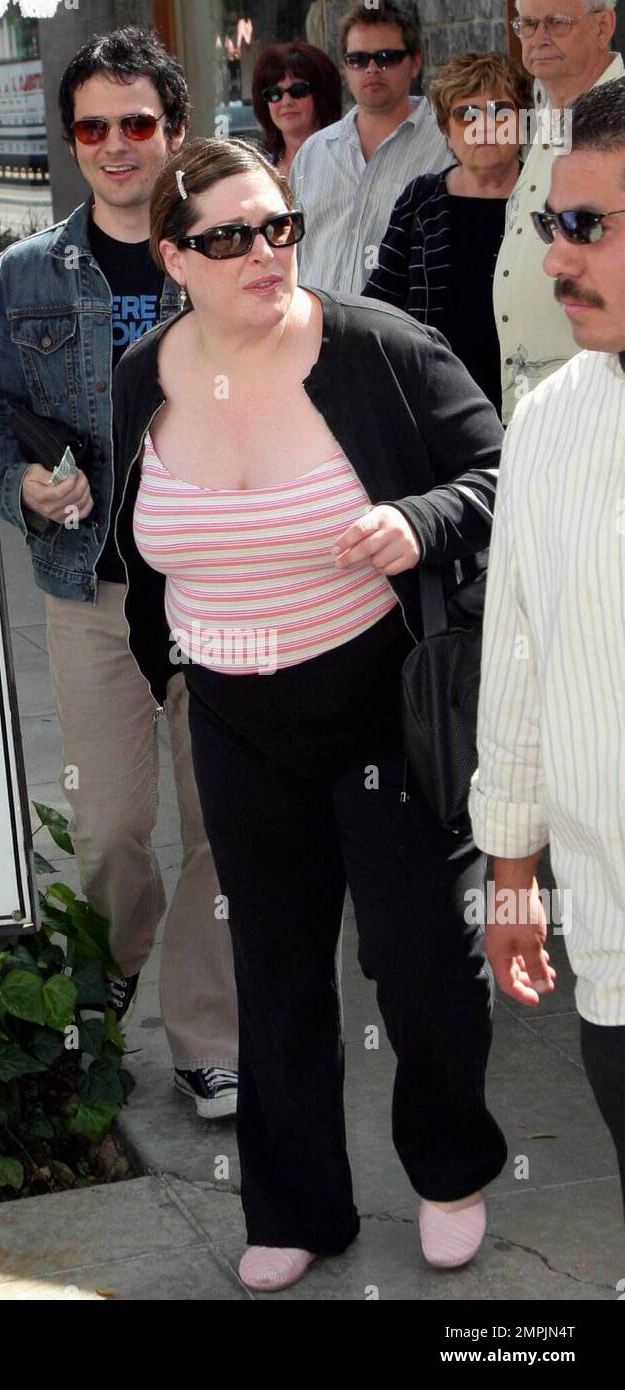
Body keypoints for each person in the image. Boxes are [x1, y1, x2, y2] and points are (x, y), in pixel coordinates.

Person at [110, 136, 509, 1292]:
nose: (264, 252)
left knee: (419, 958)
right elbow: (142, 540)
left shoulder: (377, 348)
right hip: (233, 719)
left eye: (277, 224)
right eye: (229, 236)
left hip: (379, 708)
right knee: (274, 970)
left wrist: (421, 521)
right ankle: (295, 1206)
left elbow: (496, 470)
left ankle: (449, 1169)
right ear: (174, 256)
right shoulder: (145, 371)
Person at [0, 28, 239, 1120]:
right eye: (91, 126)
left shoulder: (227, 248)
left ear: (175, 131)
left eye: (137, 124)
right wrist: (21, 489)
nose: (115, 146)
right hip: (91, 593)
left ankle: (204, 1030)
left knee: (222, 822)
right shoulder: (25, 274)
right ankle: (113, 965)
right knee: (119, 826)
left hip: (219, 591)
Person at [470, 76, 625, 1218]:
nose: (556, 261)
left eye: (589, 228)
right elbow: (515, 654)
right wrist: (509, 865)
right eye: (549, 226)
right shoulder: (548, 418)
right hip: (612, 936)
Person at [364, 51, 532, 415]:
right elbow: (380, 308)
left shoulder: (547, 195)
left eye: (500, 112)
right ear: (445, 128)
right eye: (467, 114)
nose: (485, 126)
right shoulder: (421, 199)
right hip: (439, 408)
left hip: (533, 402)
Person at [494, 0, 623, 423]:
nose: (539, 37)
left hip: (602, 408)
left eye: (557, 22)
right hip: (534, 406)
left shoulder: (616, 121)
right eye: (527, 24)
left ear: (604, 25)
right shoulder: (549, 111)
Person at [290, 0, 451, 295]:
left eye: (387, 57)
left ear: (415, 63)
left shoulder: (447, 146)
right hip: (318, 332)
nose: (372, 69)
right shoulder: (313, 153)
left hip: (404, 334)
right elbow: (294, 254)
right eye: (358, 60)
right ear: (345, 67)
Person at [251, 41, 342, 179]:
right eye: (274, 93)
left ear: (322, 95)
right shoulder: (257, 171)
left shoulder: (346, 162)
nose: (286, 102)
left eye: (298, 90)